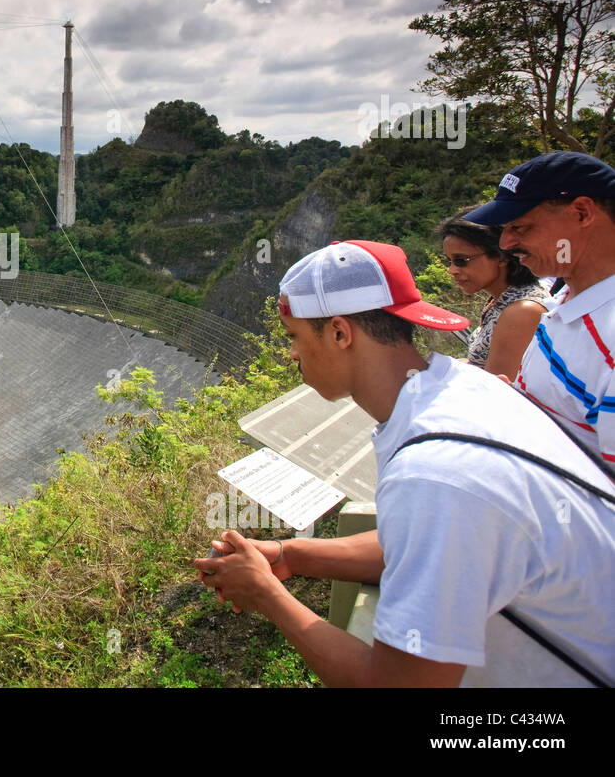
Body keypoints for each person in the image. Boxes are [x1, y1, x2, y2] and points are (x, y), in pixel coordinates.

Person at [193, 239, 615, 687]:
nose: (292, 355)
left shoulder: (433, 473)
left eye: (294, 337)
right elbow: (420, 543)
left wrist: (266, 594)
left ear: (340, 333)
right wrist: (288, 555)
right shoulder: (465, 389)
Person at [464, 151, 615, 463]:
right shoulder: (563, 302)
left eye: (520, 227)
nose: (505, 243)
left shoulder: (609, 336)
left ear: (582, 213)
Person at [435, 212, 548, 376]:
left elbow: (499, 390)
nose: (452, 271)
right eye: (449, 261)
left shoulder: (523, 311)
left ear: (501, 256)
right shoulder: (501, 300)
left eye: (462, 260)